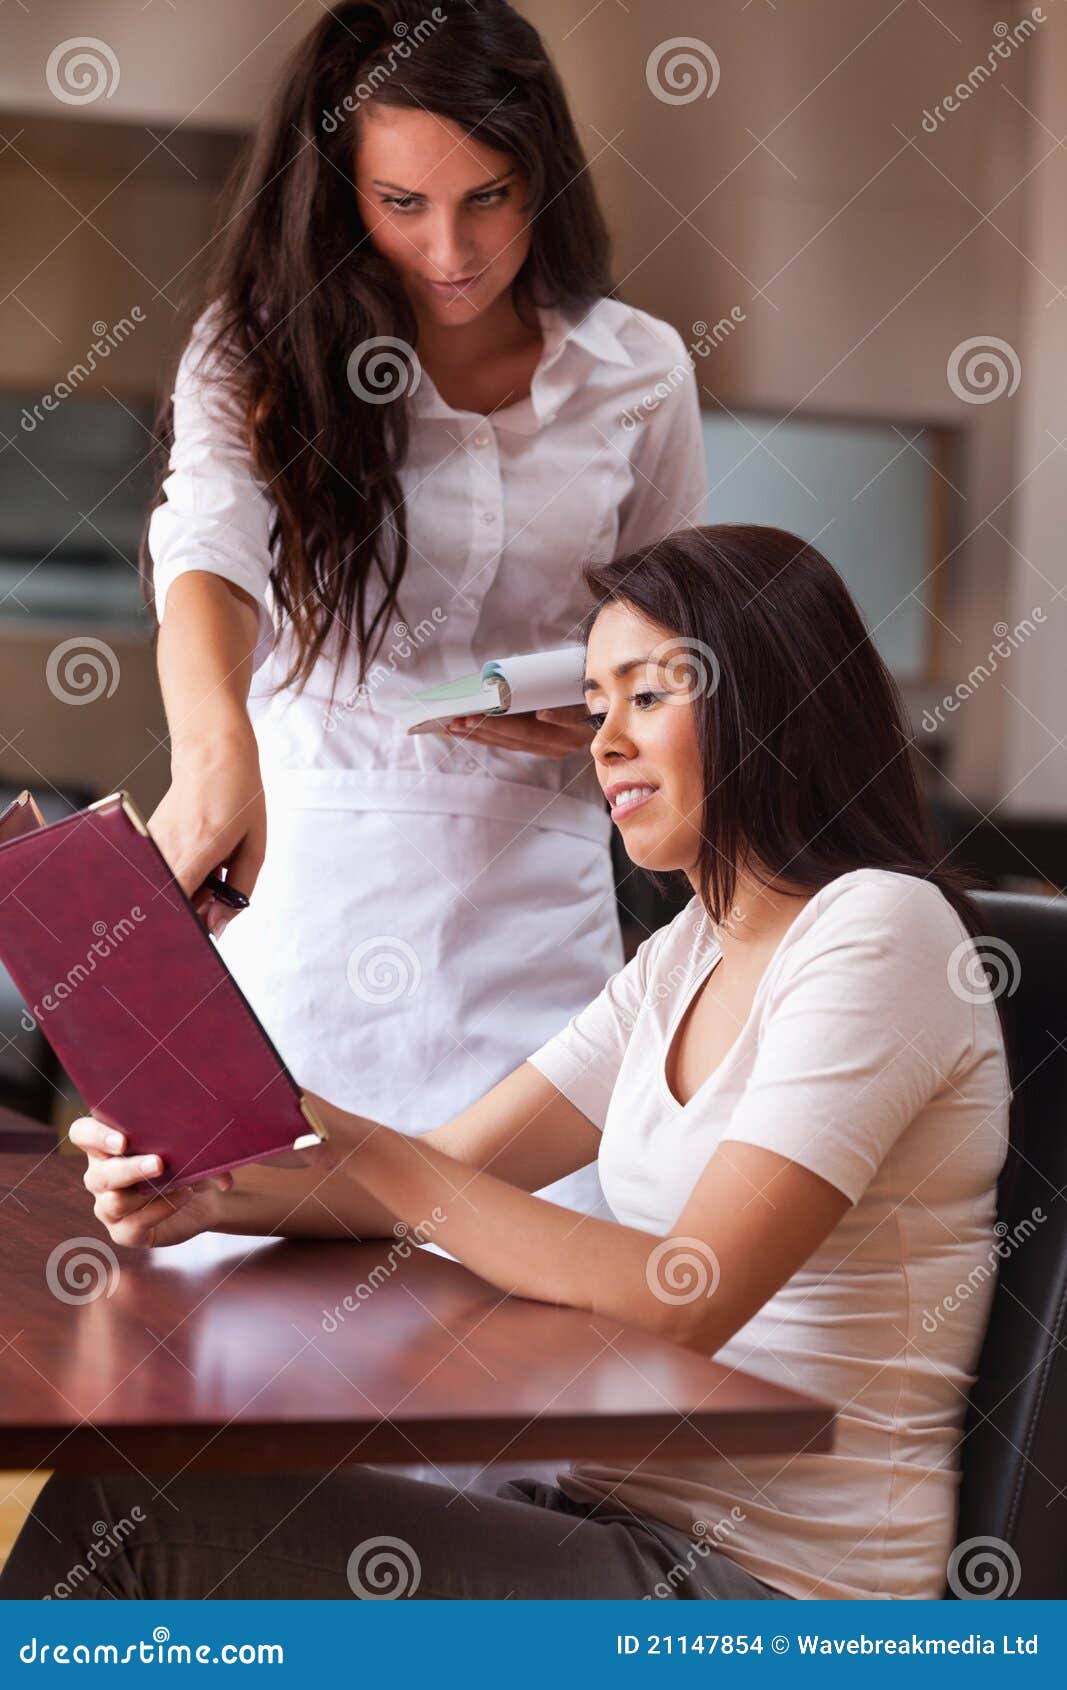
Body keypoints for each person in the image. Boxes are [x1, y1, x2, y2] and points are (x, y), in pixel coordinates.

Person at [1, 525, 1011, 1602]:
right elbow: (446, 1163)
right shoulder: (685, 956)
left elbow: (687, 1292)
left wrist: (376, 1162)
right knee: (144, 1504)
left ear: (774, 696)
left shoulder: (875, 932)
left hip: (770, 1599)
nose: (604, 740)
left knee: (126, 1518)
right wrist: (209, 1186)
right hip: (608, 1527)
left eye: (646, 694)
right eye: (595, 702)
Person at [143, 0, 707, 1222]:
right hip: (301, 912)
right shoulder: (255, 349)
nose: (451, 248)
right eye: (402, 205)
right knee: (243, 1328)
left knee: (525, 1348)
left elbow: (673, 635)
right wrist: (211, 748)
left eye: (488, 197)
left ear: (541, 176)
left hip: (533, 948)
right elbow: (207, 548)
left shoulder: (640, 370)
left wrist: (619, 703)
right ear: (339, 192)